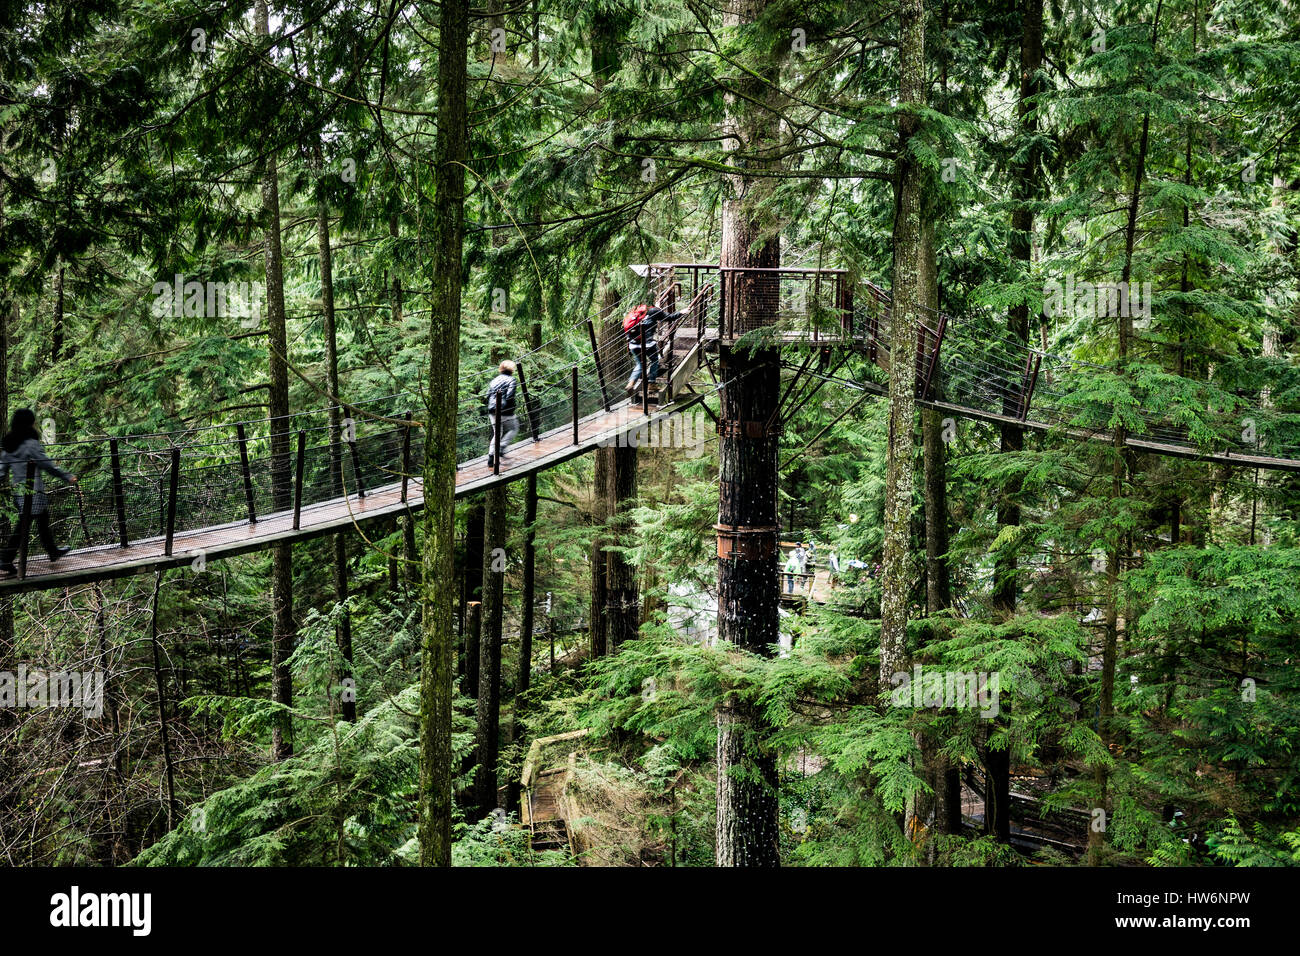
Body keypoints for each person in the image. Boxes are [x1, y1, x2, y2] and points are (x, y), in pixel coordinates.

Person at [0, 409, 77, 576]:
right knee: (24, 525)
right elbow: (46, 464)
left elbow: (1, 470)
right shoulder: (30, 443)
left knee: (41, 520)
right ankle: (6, 558)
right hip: (34, 492)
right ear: (29, 423)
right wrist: (66, 476)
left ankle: (52, 551)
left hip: (19, 492)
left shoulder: (9, 444)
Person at [623, 303, 682, 394]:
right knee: (654, 360)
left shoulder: (635, 313)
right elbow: (670, 317)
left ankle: (631, 383)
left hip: (633, 344)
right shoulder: (654, 311)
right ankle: (651, 384)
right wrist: (682, 312)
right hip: (648, 344)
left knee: (640, 364)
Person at [484, 360, 519, 468]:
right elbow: (509, 396)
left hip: (492, 411)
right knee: (514, 428)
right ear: (511, 369)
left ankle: (491, 458)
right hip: (505, 410)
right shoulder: (512, 380)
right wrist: (511, 407)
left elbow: (487, 395)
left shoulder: (494, 380)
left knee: (497, 433)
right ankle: (502, 447)